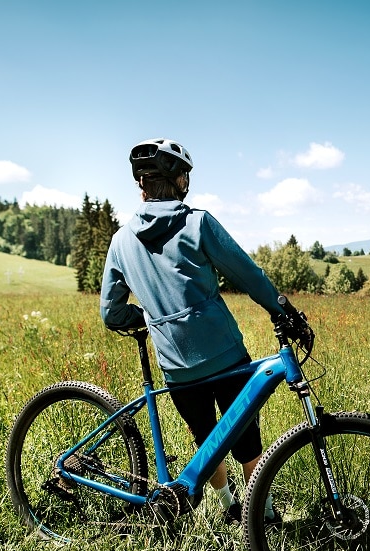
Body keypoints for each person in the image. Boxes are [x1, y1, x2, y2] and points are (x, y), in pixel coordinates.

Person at [100, 138, 283, 523]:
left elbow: (110, 313)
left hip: (176, 365)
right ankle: (263, 517)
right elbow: (248, 275)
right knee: (246, 437)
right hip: (225, 354)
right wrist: (282, 309)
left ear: (141, 185)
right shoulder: (197, 223)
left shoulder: (120, 242)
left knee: (207, 439)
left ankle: (227, 507)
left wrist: (146, 318)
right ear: (179, 179)